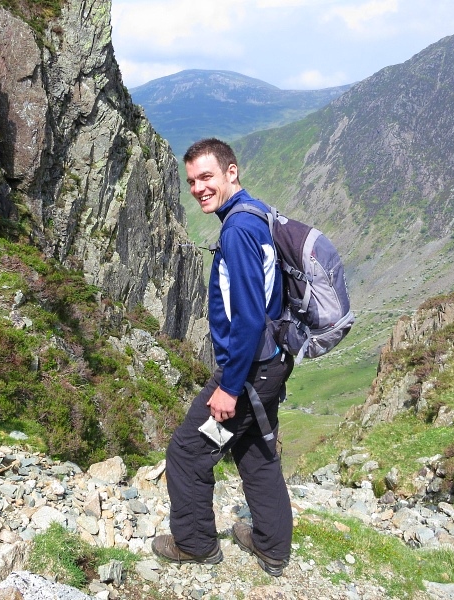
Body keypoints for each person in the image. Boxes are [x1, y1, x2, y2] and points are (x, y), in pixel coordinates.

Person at [151, 138, 294, 577]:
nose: (197, 188)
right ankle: (272, 545)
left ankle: (195, 544)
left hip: (248, 372)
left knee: (188, 451)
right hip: (271, 363)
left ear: (232, 172)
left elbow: (249, 318)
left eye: (206, 176)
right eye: (191, 180)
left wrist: (230, 387)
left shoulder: (236, 232)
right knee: (254, 449)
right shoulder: (255, 213)